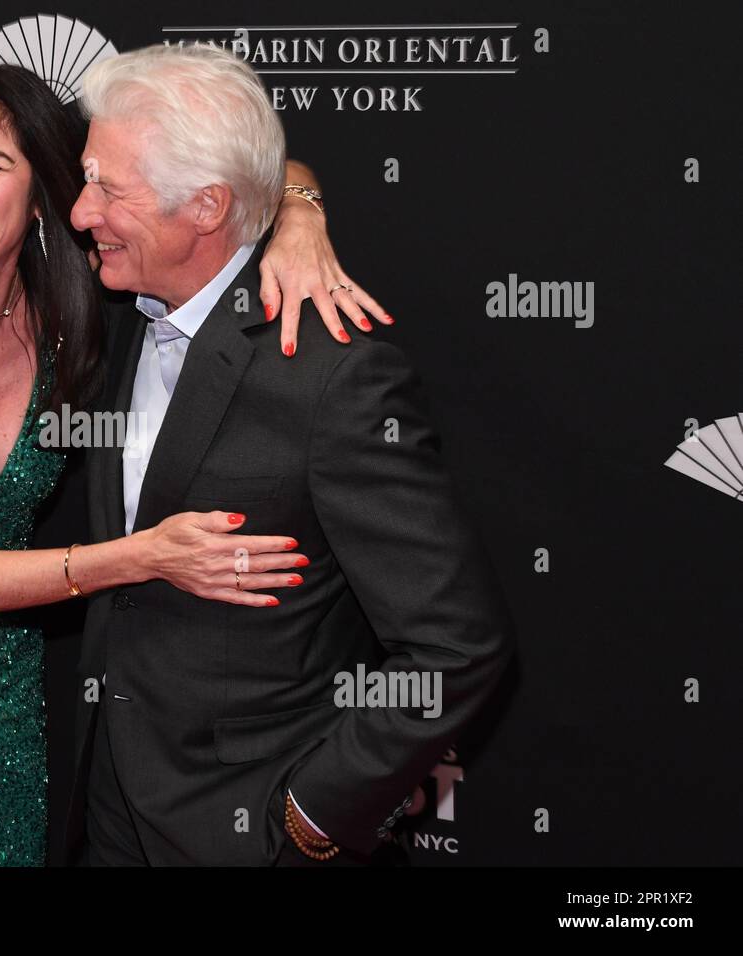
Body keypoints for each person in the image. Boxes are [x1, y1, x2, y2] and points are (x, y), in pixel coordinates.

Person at [0, 60, 377, 866]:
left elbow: (236, 159)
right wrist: (144, 556)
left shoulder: (71, 309)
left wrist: (299, 217)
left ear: (47, 187)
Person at [49, 43, 516, 867]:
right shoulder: (121, 302)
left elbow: (457, 647)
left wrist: (311, 817)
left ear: (205, 208)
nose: (82, 213)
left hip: (249, 829)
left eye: (107, 189)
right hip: (107, 807)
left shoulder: (334, 373)